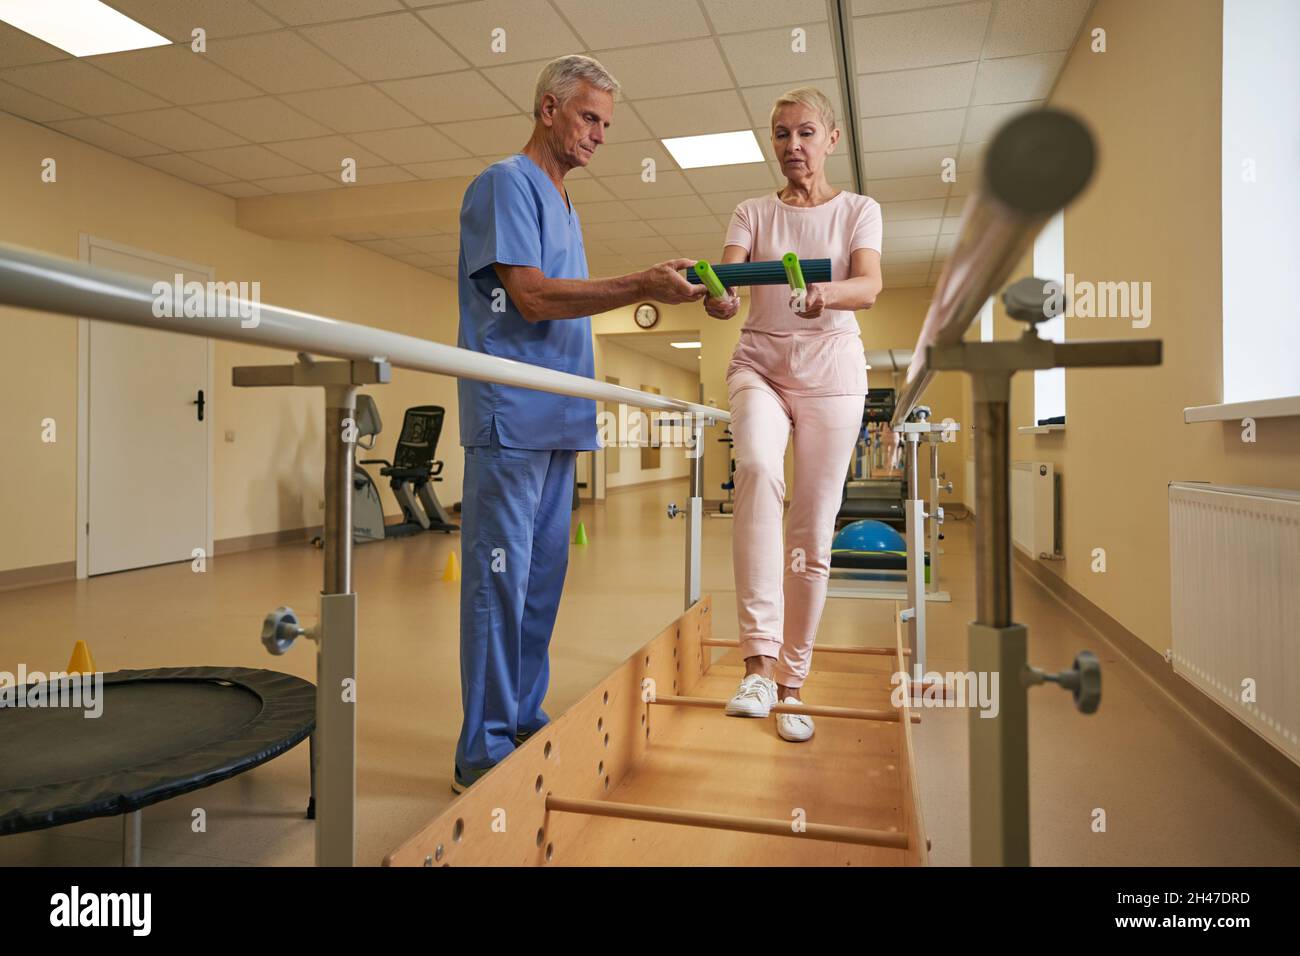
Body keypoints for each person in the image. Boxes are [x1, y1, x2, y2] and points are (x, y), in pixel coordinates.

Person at [454, 54, 705, 792]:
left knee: (542, 582)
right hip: (511, 418)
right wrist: (640, 284)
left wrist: (680, 292)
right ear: (548, 110)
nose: (599, 134)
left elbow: (565, 299)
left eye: (606, 124)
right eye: (589, 117)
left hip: (562, 418)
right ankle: (482, 746)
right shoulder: (505, 183)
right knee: (500, 584)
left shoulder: (567, 203)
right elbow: (531, 298)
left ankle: (522, 716)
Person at [703, 87, 884, 743]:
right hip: (760, 362)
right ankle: (755, 666)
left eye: (805, 133)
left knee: (811, 526)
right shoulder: (751, 210)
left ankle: (791, 682)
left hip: (833, 368)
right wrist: (720, 301)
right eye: (781, 135)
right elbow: (730, 283)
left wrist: (825, 295)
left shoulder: (860, 210)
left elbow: (868, 284)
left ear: (831, 139)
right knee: (754, 465)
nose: (792, 147)